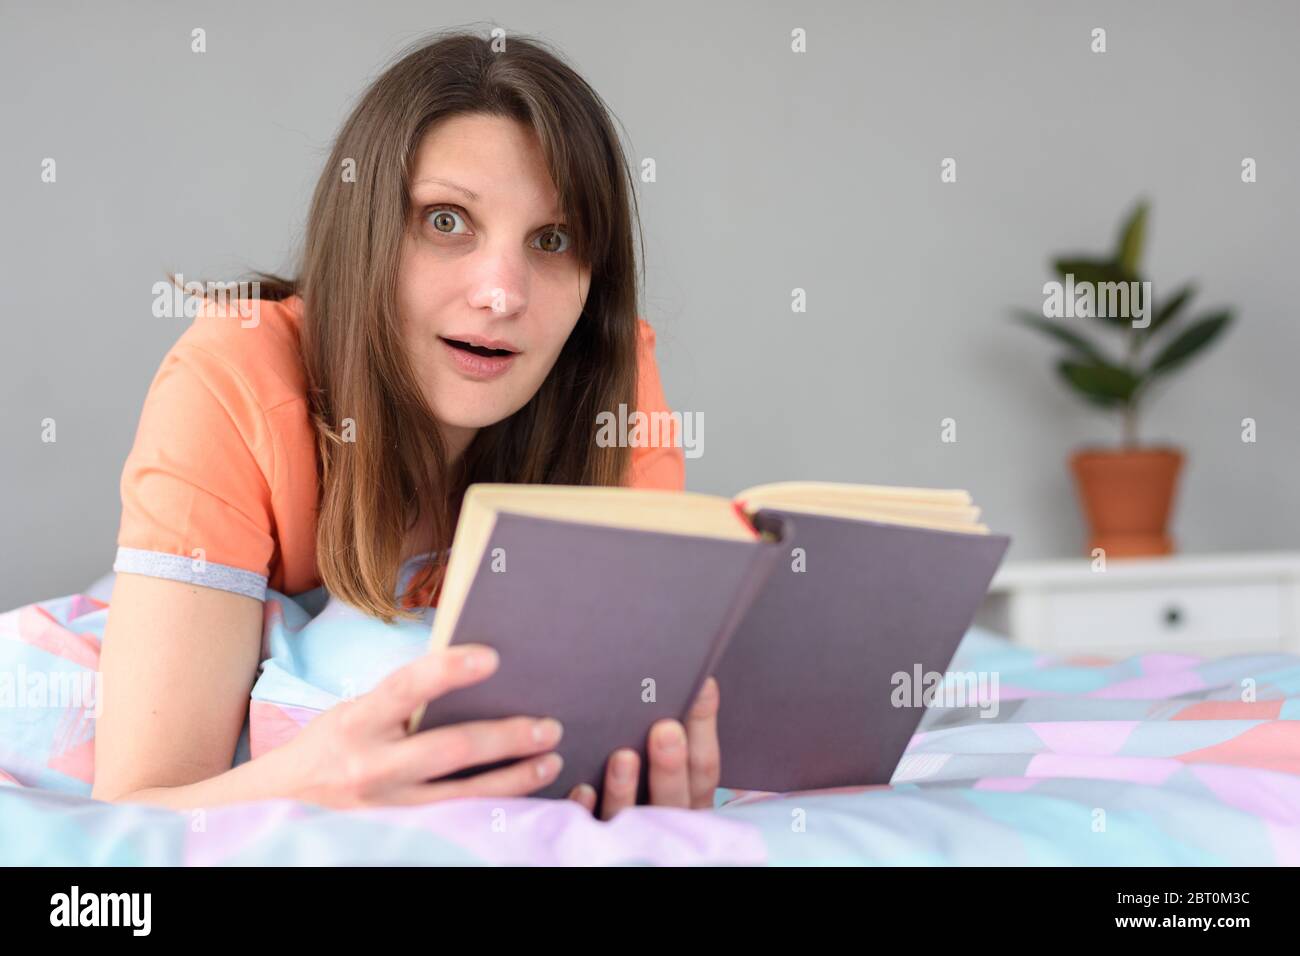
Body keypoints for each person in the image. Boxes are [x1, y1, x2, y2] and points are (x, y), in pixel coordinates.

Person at [92, 29, 720, 819]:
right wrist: (313, 784)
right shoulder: (233, 377)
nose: (502, 294)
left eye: (552, 240)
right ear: (364, 232)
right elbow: (134, 808)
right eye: (447, 221)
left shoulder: (614, 378)